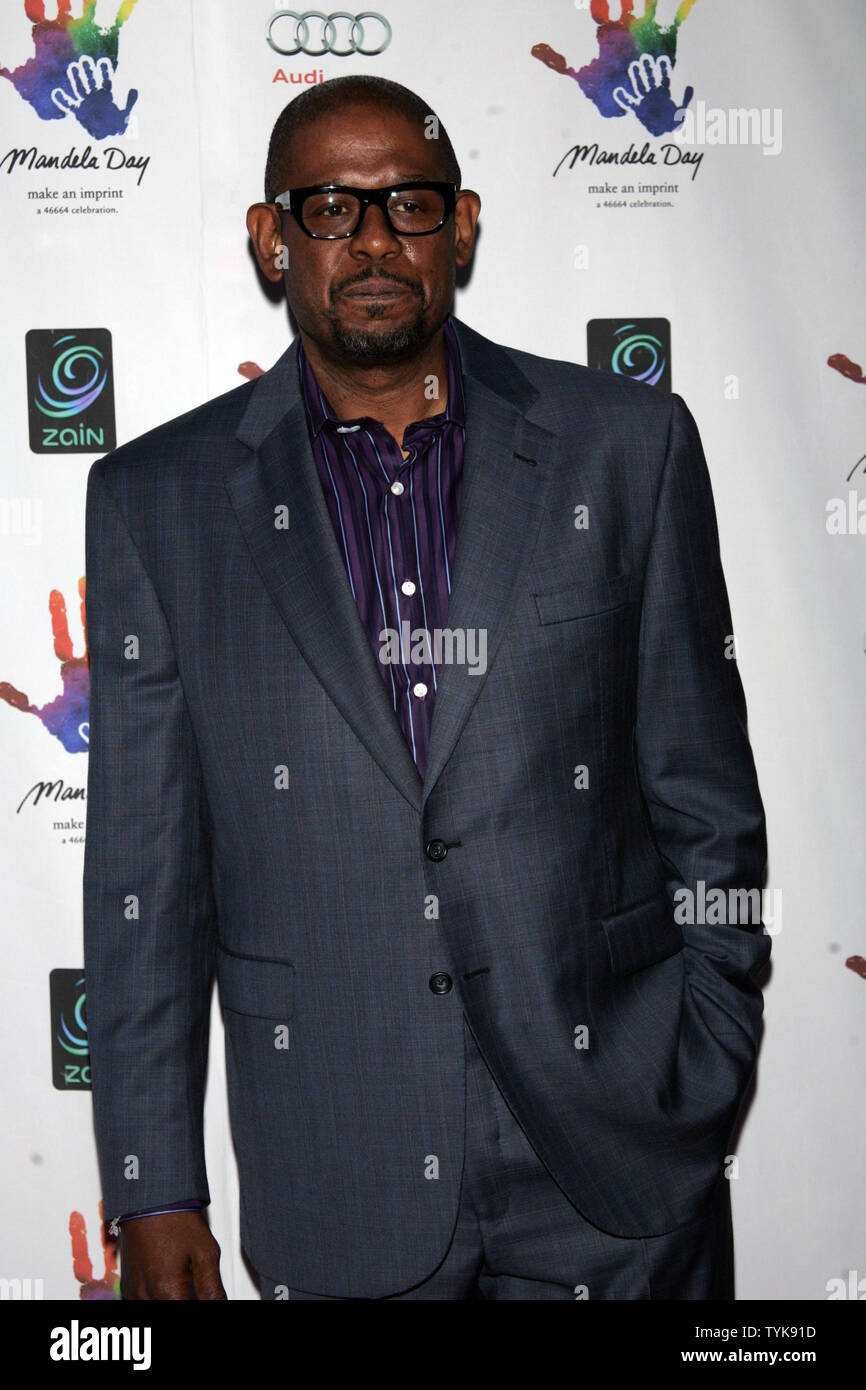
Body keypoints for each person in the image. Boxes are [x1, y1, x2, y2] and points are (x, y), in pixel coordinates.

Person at [83, 74, 770, 1301]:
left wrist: (703, 1055)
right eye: (329, 209)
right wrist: (152, 1183)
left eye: (407, 202)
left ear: (459, 226)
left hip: (616, 1158)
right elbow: (145, 873)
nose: (371, 240)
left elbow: (705, 799)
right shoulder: (158, 499)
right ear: (269, 237)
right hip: (335, 1160)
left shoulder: (625, 443)